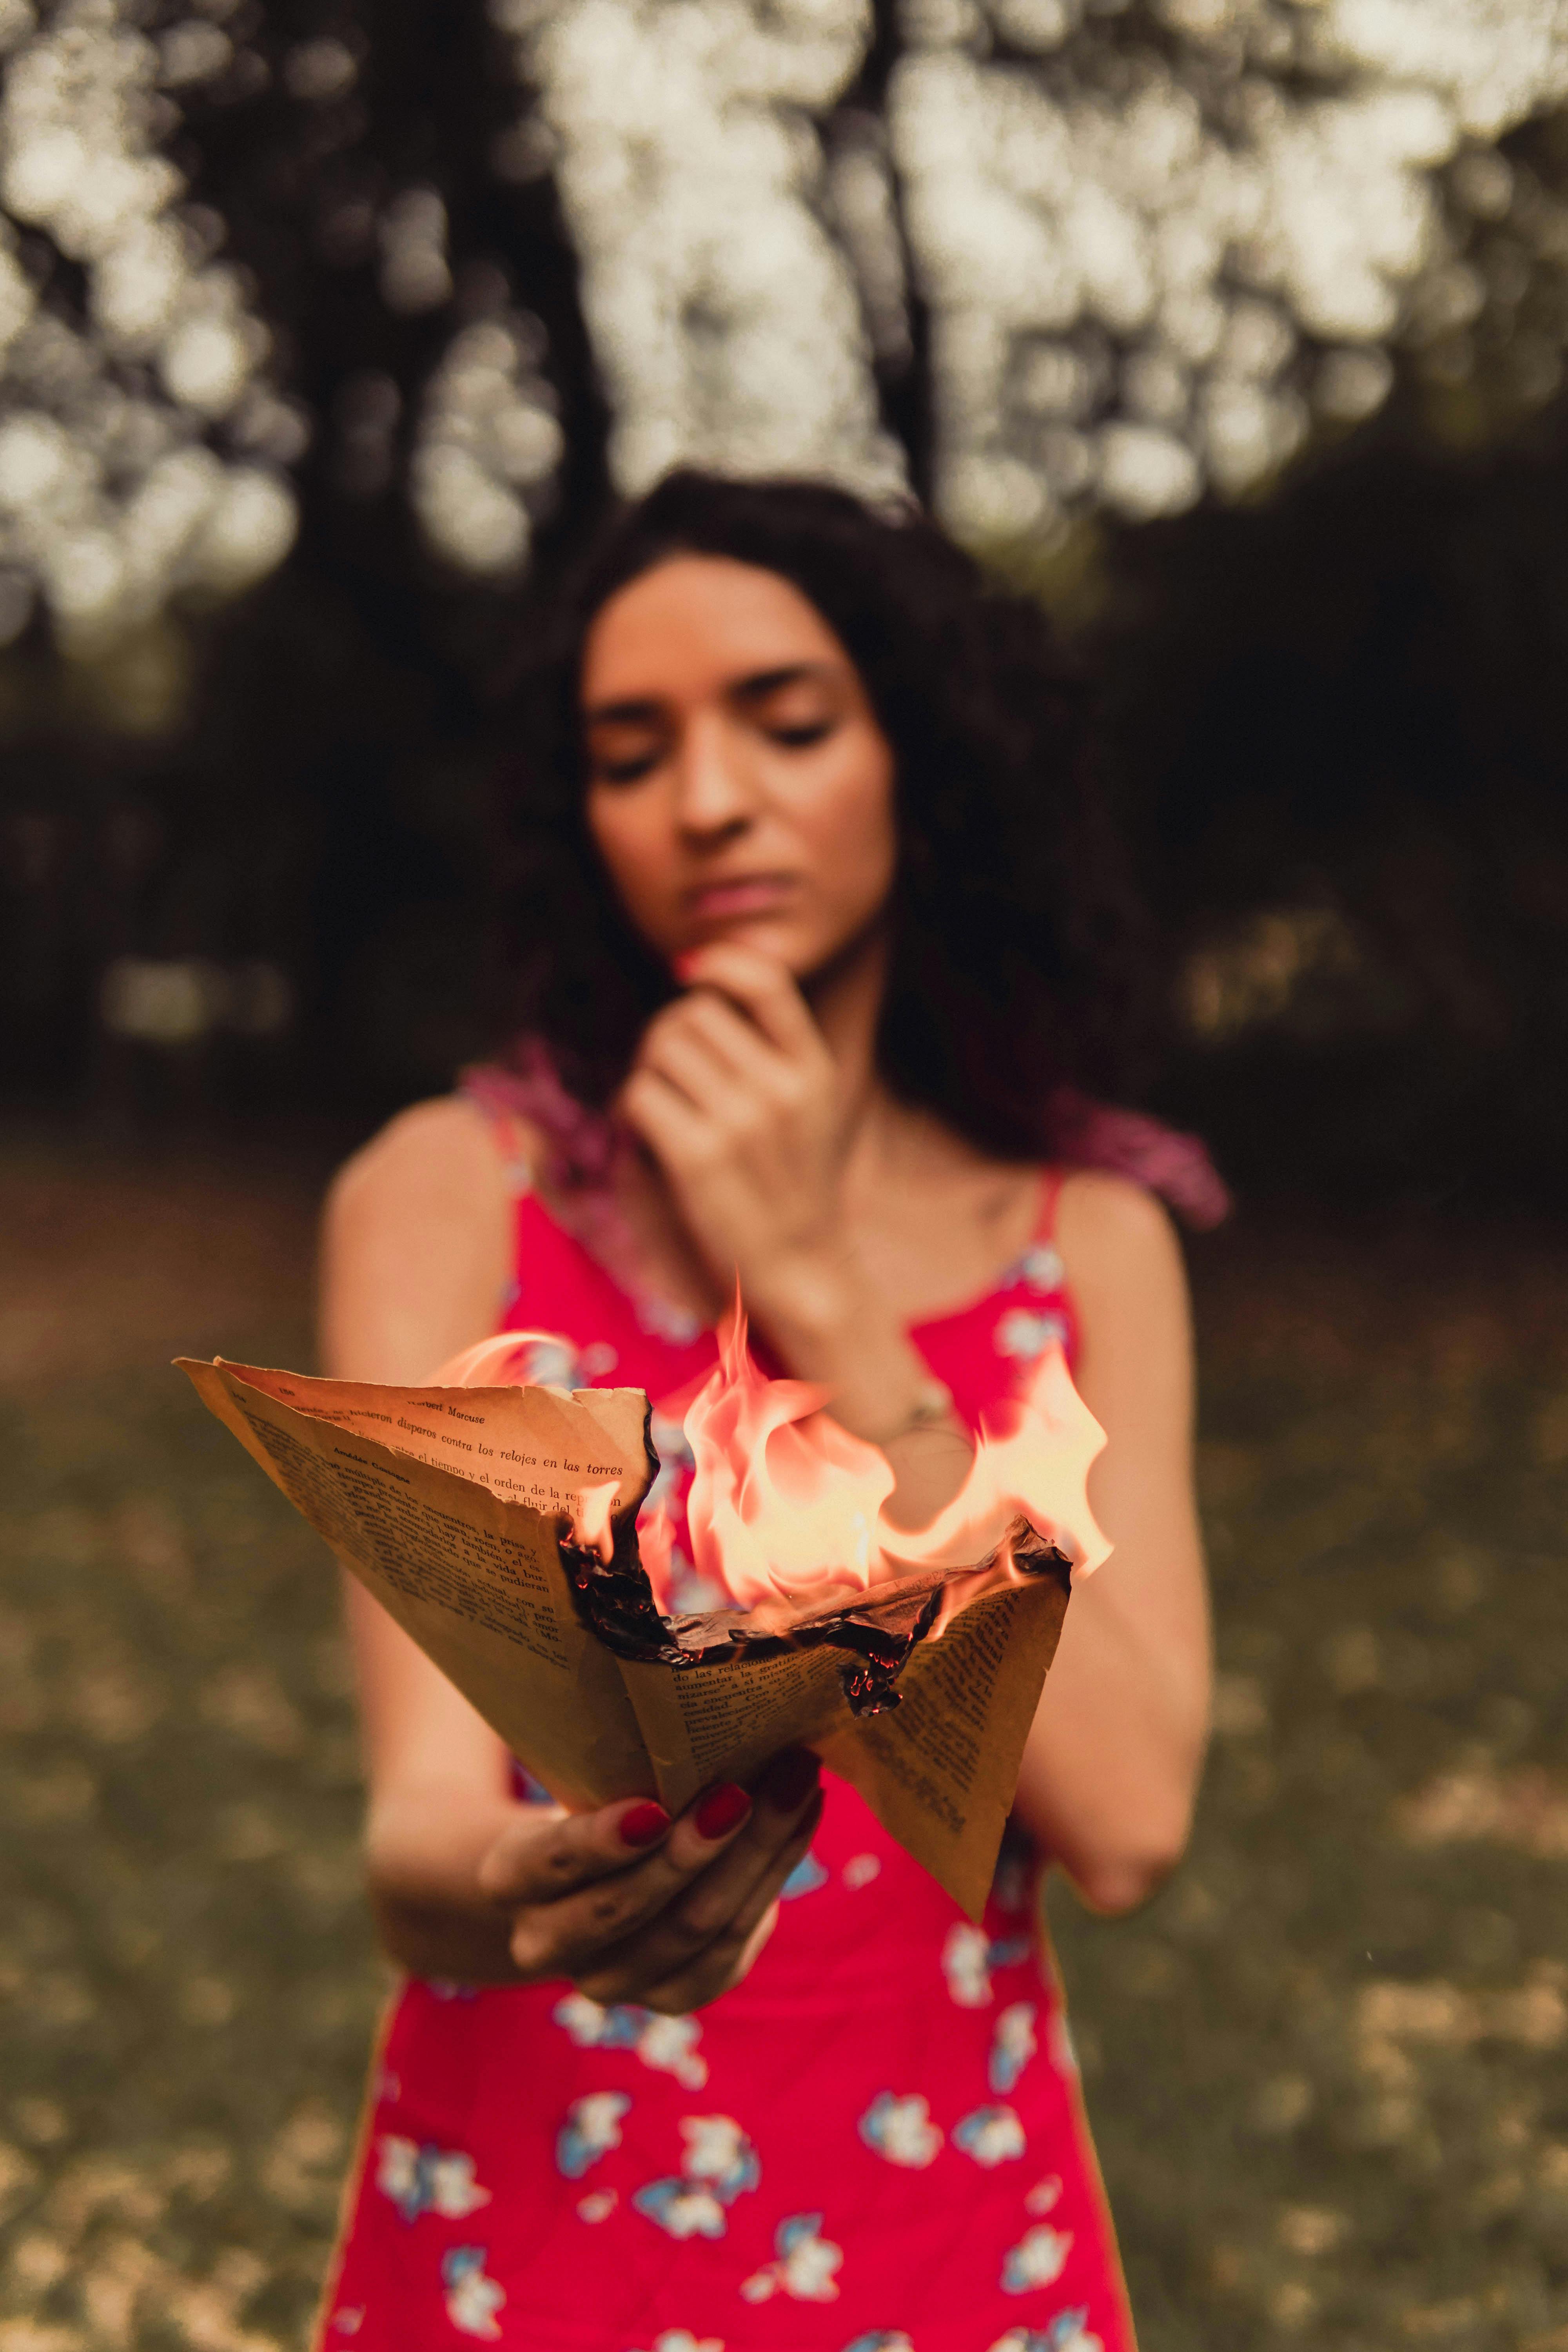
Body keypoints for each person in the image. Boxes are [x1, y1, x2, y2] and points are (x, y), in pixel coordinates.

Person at [315, 472, 1214, 2350]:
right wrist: (542, 1892)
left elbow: (1124, 1819)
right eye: (632, 756)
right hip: (529, 2226)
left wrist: (814, 1284)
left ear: (917, 755)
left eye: (787, 723)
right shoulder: (448, 1198)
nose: (709, 800)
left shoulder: (1089, 1242)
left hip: (942, 2232)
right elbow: (415, 1836)